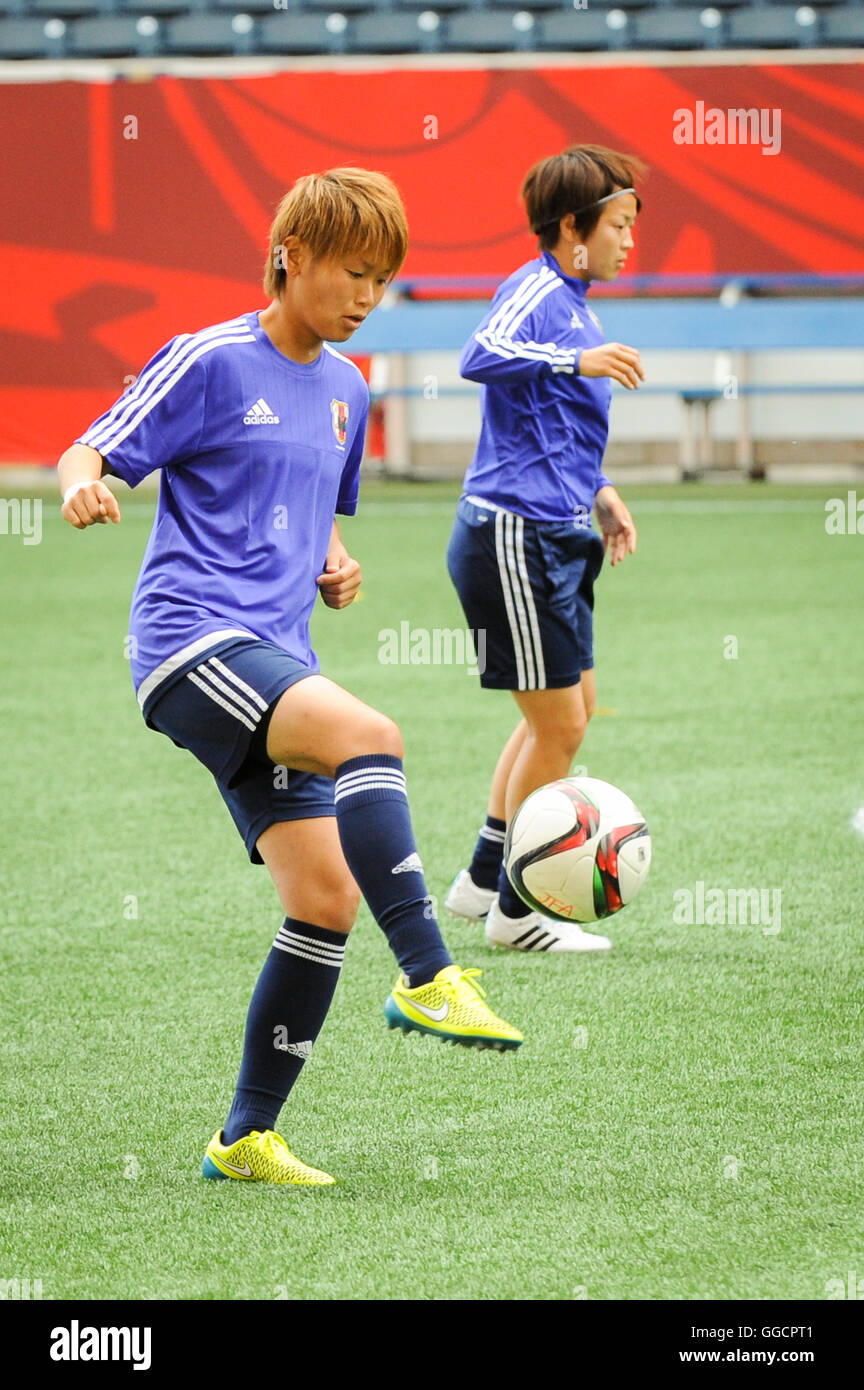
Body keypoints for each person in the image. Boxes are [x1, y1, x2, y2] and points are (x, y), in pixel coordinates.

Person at [57, 168, 523, 1189]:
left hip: (274, 656)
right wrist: (86, 485)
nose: (366, 297)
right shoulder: (213, 360)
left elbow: (316, 516)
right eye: (353, 272)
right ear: (290, 258)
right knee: (373, 735)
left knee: (324, 898)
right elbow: (91, 446)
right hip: (189, 646)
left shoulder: (351, 391)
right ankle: (431, 976)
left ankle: (245, 1137)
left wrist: (333, 562)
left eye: (384, 281)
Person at [446, 145, 644, 954]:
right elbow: (477, 357)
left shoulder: (578, 304)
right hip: (512, 536)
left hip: (558, 532)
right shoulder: (537, 292)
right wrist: (574, 357)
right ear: (573, 227)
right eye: (621, 225)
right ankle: (519, 916)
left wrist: (599, 491)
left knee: (567, 715)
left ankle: (482, 880)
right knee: (557, 725)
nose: (630, 241)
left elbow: (552, 425)